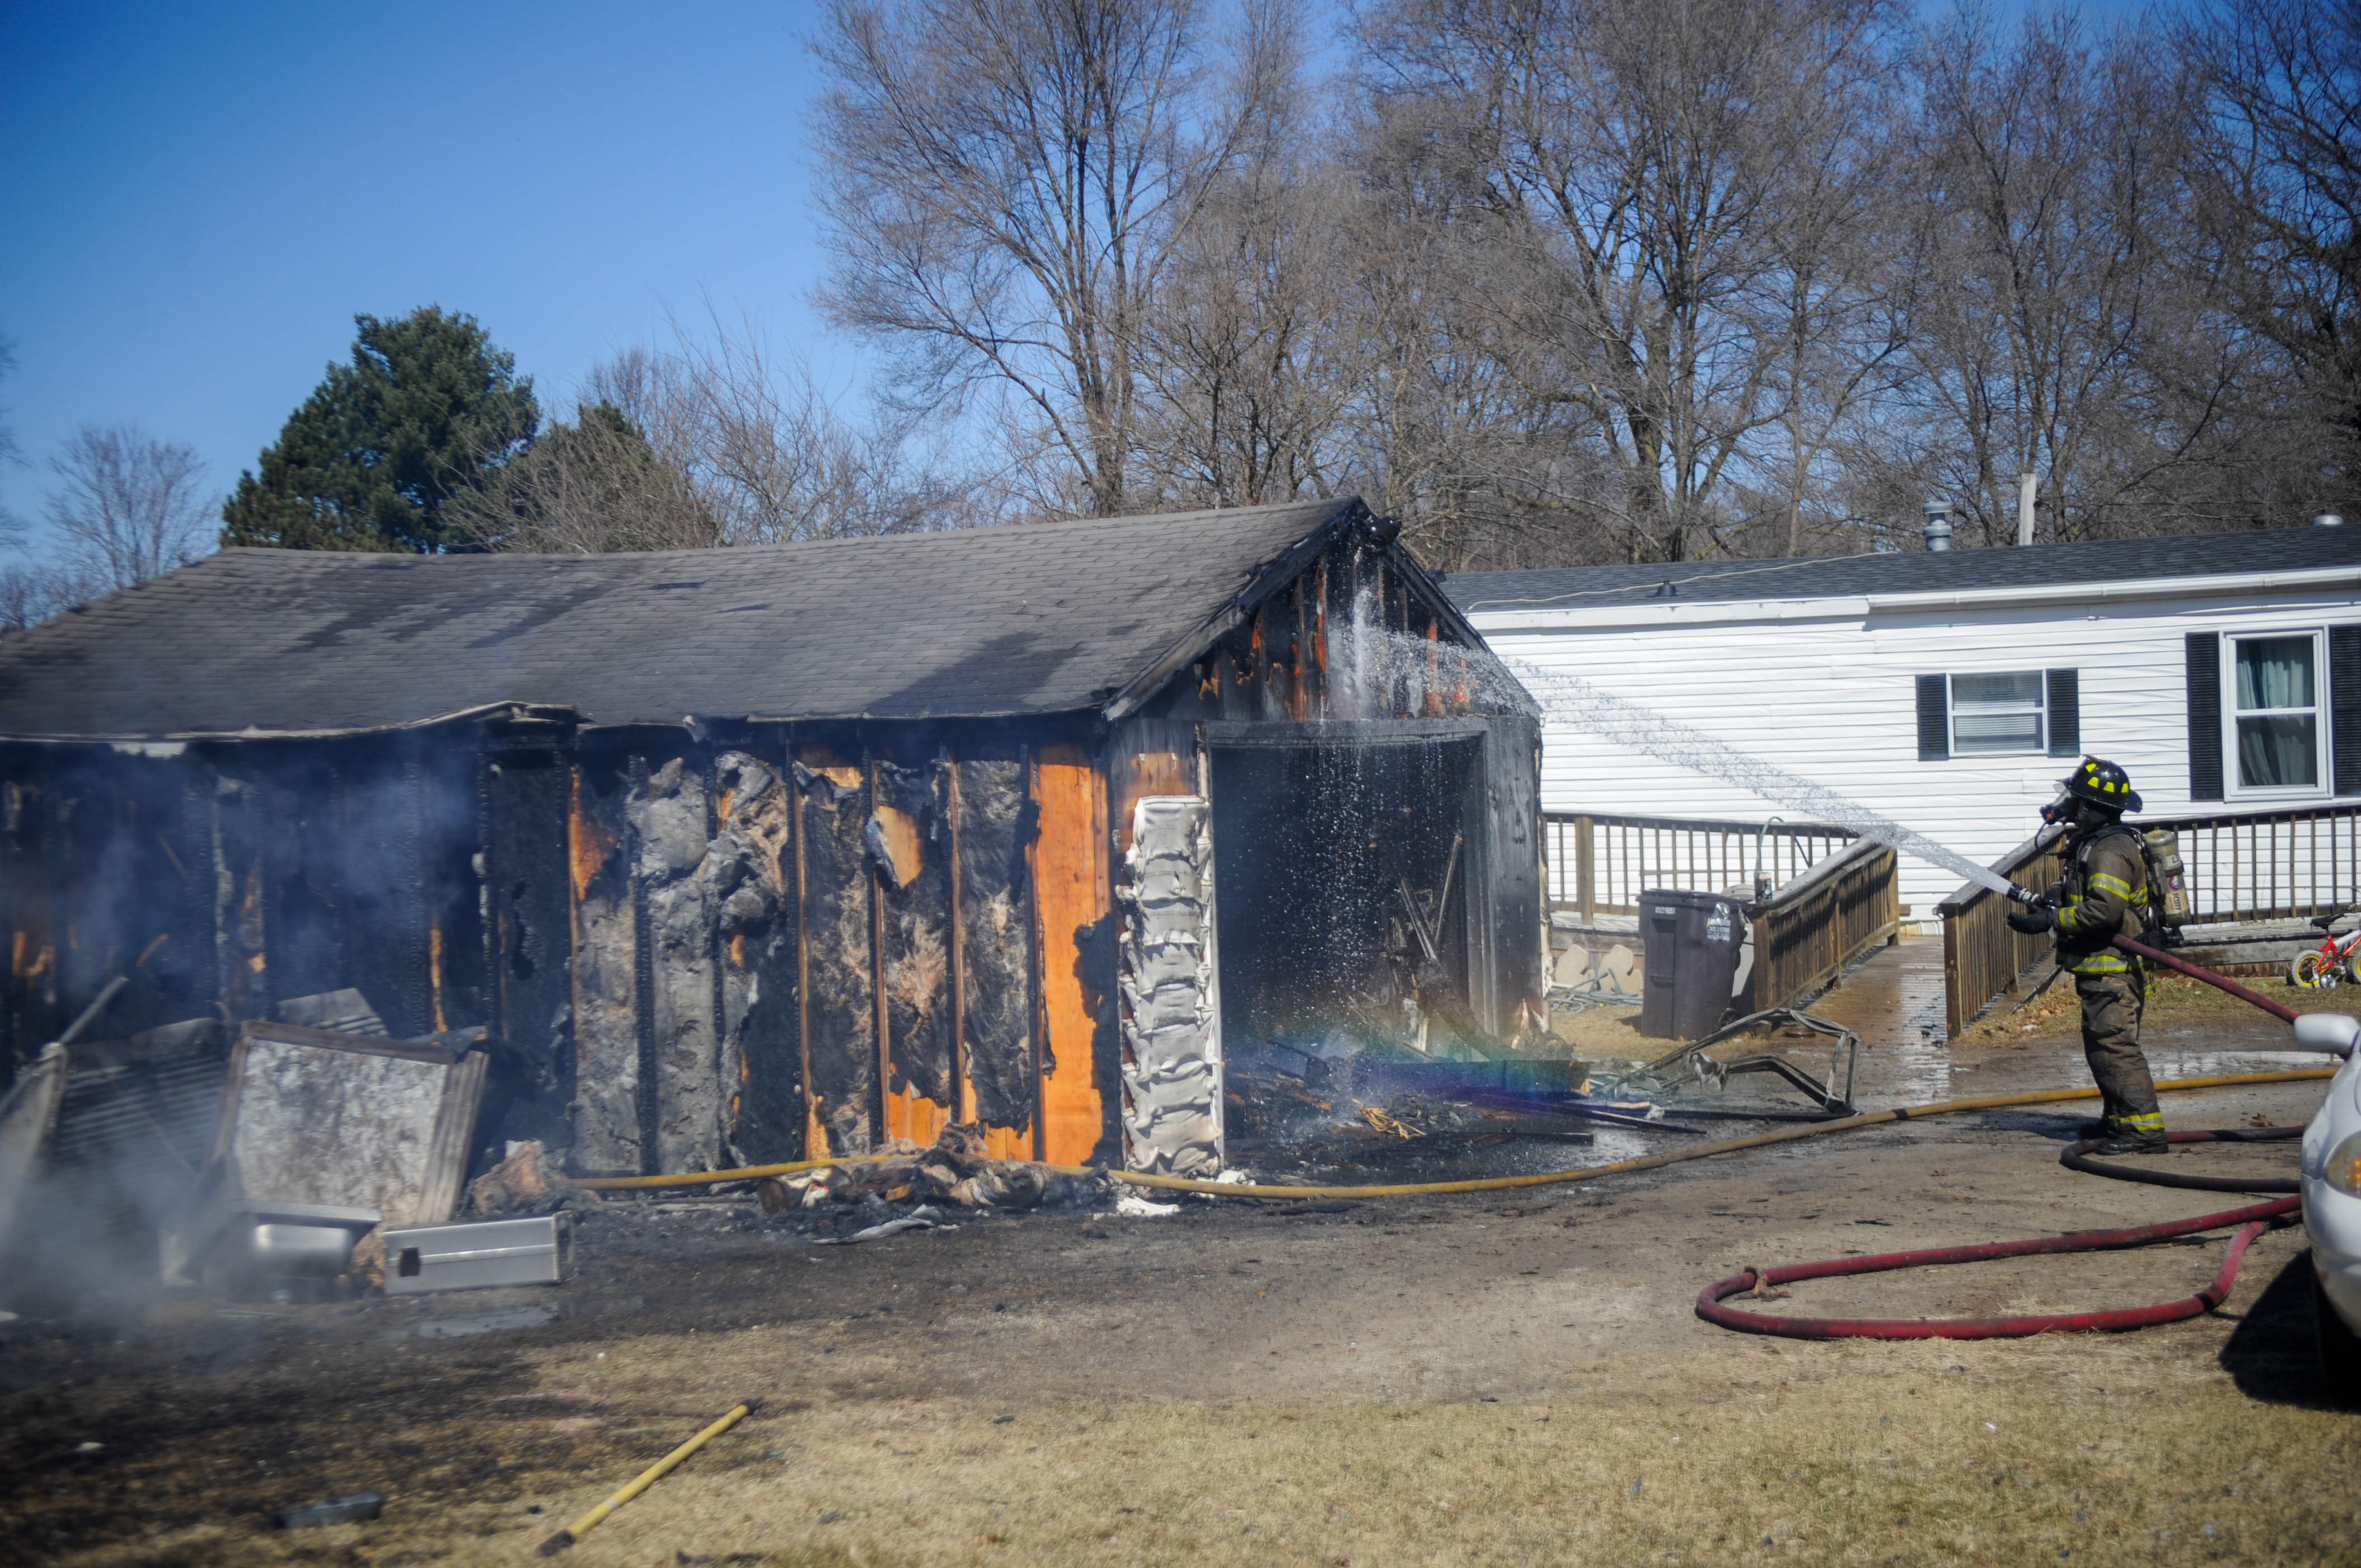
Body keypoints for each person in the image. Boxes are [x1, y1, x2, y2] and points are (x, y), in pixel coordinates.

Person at [2007, 758, 2165, 1155]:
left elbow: (2104, 911)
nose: (2067, 807)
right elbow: (2090, 897)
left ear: (2090, 807)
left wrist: (2051, 919)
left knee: (2115, 1047)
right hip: (2102, 970)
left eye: (2074, 801)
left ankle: (2143, 1133)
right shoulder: (2099, 842)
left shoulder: (2111, 849)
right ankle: (2119, 1121)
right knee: (2103, 1048)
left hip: (2111, 970)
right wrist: (2059, 898)